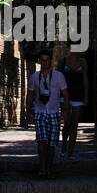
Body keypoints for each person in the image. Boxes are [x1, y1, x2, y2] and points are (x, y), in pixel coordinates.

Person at [26, 50, 68, 178]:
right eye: (42, 60)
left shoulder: (58, 76)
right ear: (39, 61)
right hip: (40, 112)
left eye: (47, 59)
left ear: (50, 61)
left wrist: (65, 112)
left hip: (54, 112)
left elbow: (65, 94)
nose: (45, 62)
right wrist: (28, 110)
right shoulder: (34, 77)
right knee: (41, 141)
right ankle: (42, 168)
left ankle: (49, 168)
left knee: (52, 142)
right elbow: (30, 94)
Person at [61, 51, 89, 160]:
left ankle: (70, 152)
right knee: (67, 123)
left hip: (78, 95)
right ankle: (63, 146)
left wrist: (86, 96)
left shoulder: (83, 62)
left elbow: (85, 79)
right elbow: (58, 78)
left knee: (75, 125)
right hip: (64, 95)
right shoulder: (62, 61)